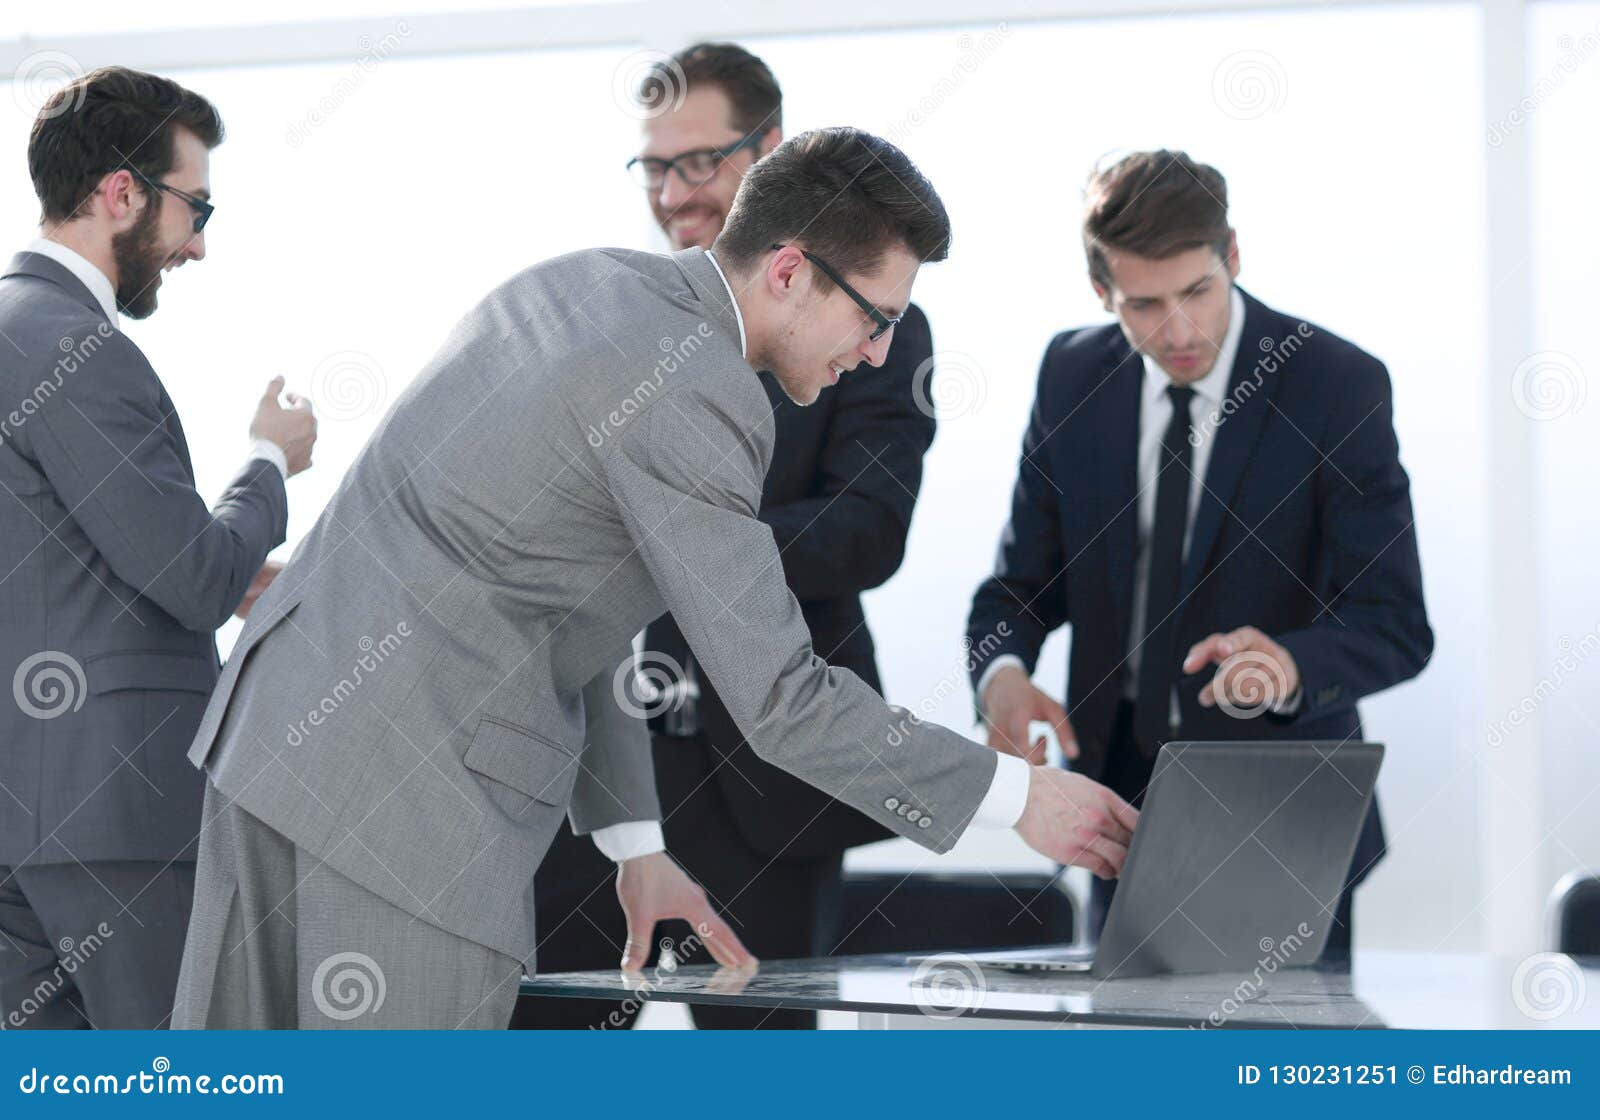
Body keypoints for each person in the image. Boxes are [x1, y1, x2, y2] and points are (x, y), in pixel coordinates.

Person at [172, 126, 1138, 1030]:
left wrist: (636, 847)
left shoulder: (578, 286)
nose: (880, 351)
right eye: (877, 316)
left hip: (274, 742)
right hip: (405, 803)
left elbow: (562, 601)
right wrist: (1012, 798)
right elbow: (783, 699)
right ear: (792, 270)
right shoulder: (704, 392)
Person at [520, 42, 942, 1031]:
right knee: (551, 1047)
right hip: (593, 768)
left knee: (758, 1071)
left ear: (772, 150)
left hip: (766, 784)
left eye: (699, 162)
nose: (673, 193)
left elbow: (865, 531)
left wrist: (685, 541)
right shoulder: (616, 324)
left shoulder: (870, 325)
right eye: (655, 167)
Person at [968, 150, 1432, 959]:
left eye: (1197, 292)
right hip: (1118, 810)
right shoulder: (1071, 374)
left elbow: (1394, 623)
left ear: (1235, 258)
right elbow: (1021, 585)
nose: (1178, 332)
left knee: (1272, 1081)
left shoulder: (1336, 384)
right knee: (1133, 1075)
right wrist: (1001, 677)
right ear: (1101, 292)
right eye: (1144, 304)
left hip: (1283, 817)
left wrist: (1287, 663)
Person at [0, 66, 317, 1029]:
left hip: (23, 819)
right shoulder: (73, 346)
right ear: (122, 192)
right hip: (120, 814)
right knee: (176, 1081)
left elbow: (61, 563)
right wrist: (270, 463)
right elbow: (193, 576)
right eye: (196, 205)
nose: (200, 245)